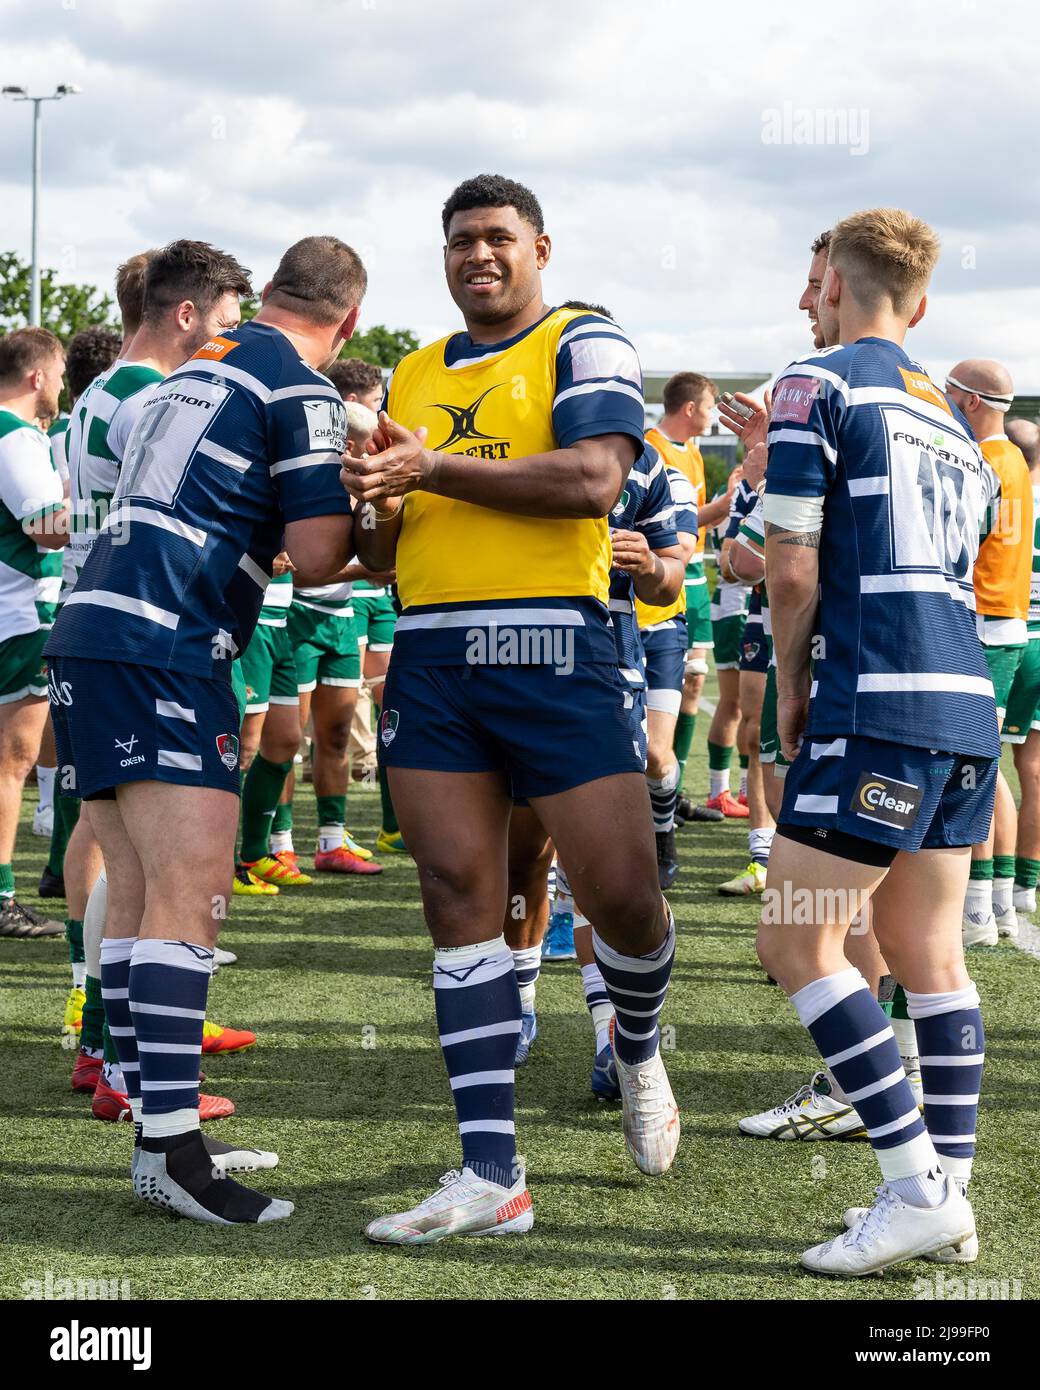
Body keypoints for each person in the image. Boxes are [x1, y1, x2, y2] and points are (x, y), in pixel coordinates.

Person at [345, 173, 679, 1243]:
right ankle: (491, 1173)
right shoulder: (411, 367)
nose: (476, 255)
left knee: (621, 894)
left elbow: (589, 480)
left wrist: (430, 462)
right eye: (457, 242)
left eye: (496, 238)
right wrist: (377, 501)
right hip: (433, 651)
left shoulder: (586, 340)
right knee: (457, 893)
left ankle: (634, 1043)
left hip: (549, 640)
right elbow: (379, 550)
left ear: (540, 246)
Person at [46, 234, 366, 1224]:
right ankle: (176, 1154)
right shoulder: (299, 391)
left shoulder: (184, 377)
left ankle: (156, 1128)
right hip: (165, 645)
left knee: (139, 890)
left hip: (90, 630)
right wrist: (392, 517)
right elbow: (317, 558)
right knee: (191, 887)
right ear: (347, 321)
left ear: (263, 295)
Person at [757, 208, 994, 1275]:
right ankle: (949, 1188)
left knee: (795, 942)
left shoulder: (816, 384)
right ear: (922, 304)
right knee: (928, 955)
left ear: (839, 288)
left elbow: (792, 564)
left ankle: (912, 1187)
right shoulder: (952, 416)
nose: (802, 303)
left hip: (876, 705)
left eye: (810, 285)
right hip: (960, 709)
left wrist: (792, 684)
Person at [945, 361, 1032, 945]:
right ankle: (997, 901)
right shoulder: (1015, 460)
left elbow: (958, 538)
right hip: (1008, 622)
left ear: (972, 402)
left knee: (974, 767)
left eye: (951, 396)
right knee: (986, 765)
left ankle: (980, 903)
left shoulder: (987, 461)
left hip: (987, 621)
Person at [0, 327, 68, 937]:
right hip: (18, 615)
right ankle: (1, 898)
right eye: (60, 372)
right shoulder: (16, 435)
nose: (63, 385)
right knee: (11, 762)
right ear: (37, 377)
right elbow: (48, 527)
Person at [646, 373, 737, 818]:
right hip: (662, 573)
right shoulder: (650, 448)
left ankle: (673, 789)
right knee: (663, 684)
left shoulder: (694, 453)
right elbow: (672, 520)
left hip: (696, 575)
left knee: (695, 680)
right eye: (709, 406)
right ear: (688, 408)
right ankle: (653, 785)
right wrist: (722, 508)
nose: (713, 414)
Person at [1003, 419, 1040, 918]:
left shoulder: (1010, 498)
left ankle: (986, 895)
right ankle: (1026, 888)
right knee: (1033, 771)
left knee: (980, 770)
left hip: (1011, 639)